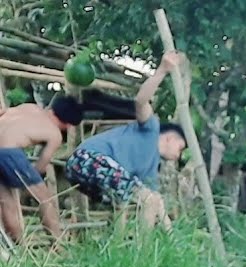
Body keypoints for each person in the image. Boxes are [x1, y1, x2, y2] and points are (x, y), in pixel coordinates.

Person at [65, 50, 187, 229]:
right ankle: (143, 253)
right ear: (169, 138)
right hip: (86, 159)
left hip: (89, 178)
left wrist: (172, 236)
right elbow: (141, 101)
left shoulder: (149, 171)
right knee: (145, 198)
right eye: (180, 147)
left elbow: (156, 202)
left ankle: (121, 248)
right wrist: (162, 70)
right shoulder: (151, 128)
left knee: (142, 199)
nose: (179, 155)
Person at [0, 95, 83, 246]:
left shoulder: (29, 107)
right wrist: (27, 189)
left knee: (7, 201)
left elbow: (3, 112)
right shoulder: (54, 134)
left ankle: (17, 249)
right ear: (68, 124)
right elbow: (41, 166)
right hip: (8, 151)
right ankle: (58, 245)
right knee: (45, 199)